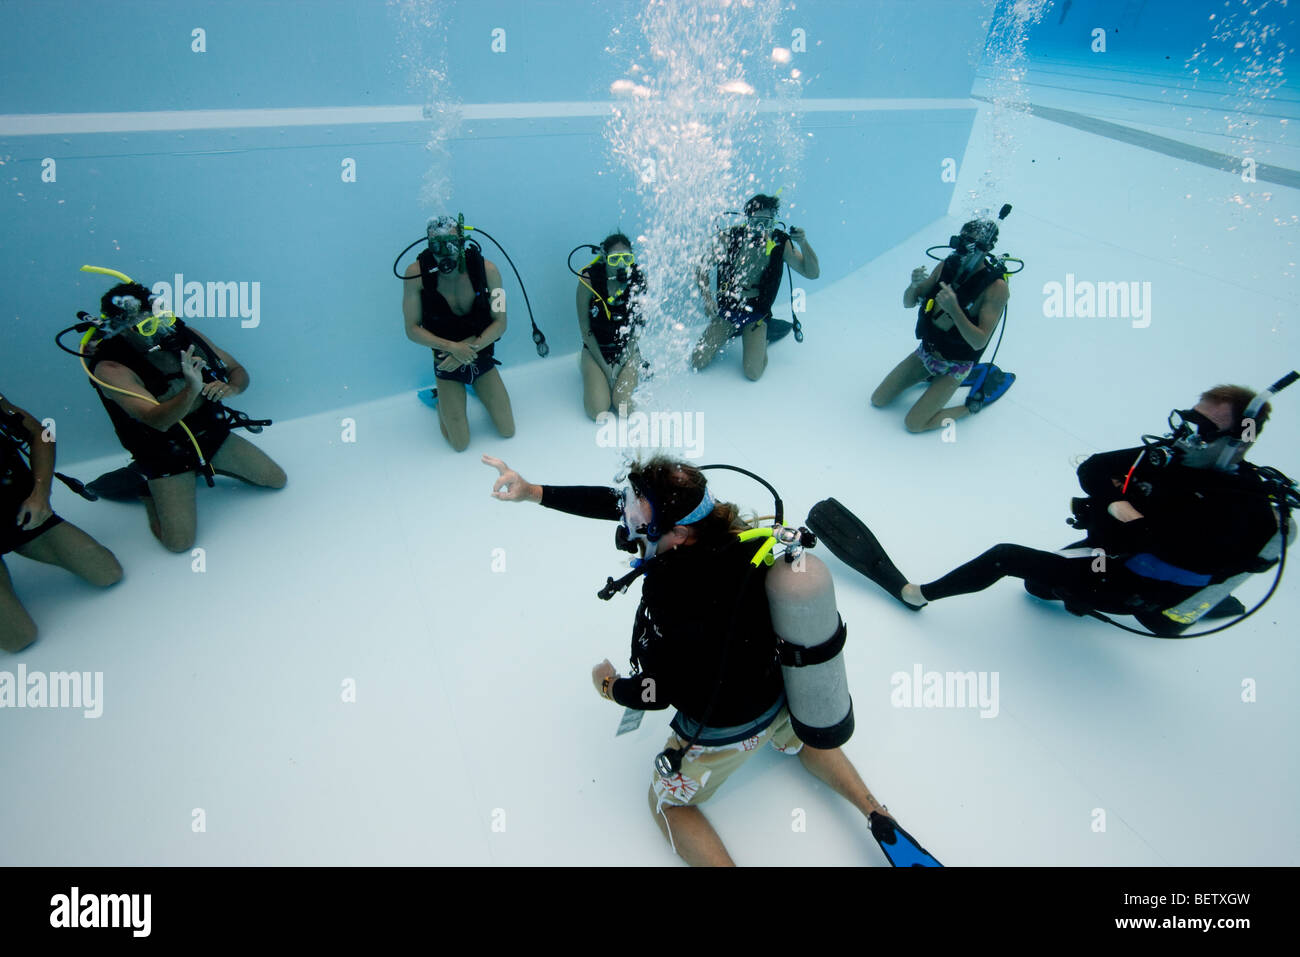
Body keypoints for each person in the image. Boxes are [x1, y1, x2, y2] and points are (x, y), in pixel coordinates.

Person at [483, 452, 907, 866]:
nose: (628, 522)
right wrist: (533, 491)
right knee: (804, 739)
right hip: (784, 698)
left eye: (637, 518)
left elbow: (657, 692)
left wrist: (611, 686)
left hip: (726, 729)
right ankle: (875, 811)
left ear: (681, 534)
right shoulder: (740, 538)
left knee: (665, 803)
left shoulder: (670, 592)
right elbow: (612, 503)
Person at [844, 386, 1287, 636]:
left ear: (1236, 442)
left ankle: (916, 595)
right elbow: (1095, 467)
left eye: (1203, 428)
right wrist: (1117, 504)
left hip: (1135, 582)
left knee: (1007, 557)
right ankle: (1087, 596)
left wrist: (1133, 519)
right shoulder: (1167, 457)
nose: (1186, 434)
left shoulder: (1243, 506)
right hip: (1110, 552)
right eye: (1188, 418)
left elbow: (1183, 549)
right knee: (1038, 588)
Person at [84, 281, 287, 553]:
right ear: (120, 330)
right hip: (164, 453)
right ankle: (146, 490)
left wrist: (233, 387)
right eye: (146, 327)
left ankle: (204, 467)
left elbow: (237, 369)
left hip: (210, 435)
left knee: (276, 480)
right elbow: (157, 420)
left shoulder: (186, 335)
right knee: (178, 544)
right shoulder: (111, 368)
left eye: (162, 319)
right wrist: (192, 388)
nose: (160, 332)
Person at [0, 392, 122, 651]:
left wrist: (40, 494)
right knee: (19, 638)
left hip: (19, 512)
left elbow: (41, 435)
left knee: (106, 572)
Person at [871, 219, 1010, 432]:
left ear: (987, 248)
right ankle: (928, 376)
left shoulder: (995, 288)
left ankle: (971, 407)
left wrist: (954, 309)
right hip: (925, 353)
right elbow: (909, 303)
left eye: (971, 243)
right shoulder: (947, 265)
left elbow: (979, 341)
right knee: (878, 399)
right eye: (962, 240)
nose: (963, 247)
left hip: (955, 366)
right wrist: (914, 285)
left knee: (914, 424)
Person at [404, 215, 516, 450]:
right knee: (460, 444)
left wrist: (466, 350)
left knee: (508, 430)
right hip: (446, 361)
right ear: (428, 245)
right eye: (436, 246)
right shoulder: (415, 275)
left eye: (451, 244)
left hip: (480, 354)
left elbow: (501, 323)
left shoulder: (489, 271)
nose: (444, 253)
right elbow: (412, 329)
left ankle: (473, 387)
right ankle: (439, 402)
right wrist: (452, 348)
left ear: (463, 242)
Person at [692, 194, 819, 381]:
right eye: (756, 222)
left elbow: (812, 273)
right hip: (728, 309)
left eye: (766, 222)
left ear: (774, 222)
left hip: (757, 313)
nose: (760, 228)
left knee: (753, 373)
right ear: (747, 219)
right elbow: (700, 267)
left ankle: (766, 335)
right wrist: (707, 298)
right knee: (697, 361)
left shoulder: (780, 243)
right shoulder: (730, 238)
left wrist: (803, 243)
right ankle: (733, 329)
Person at [577, 233, 645, 420]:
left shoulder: (638, 280)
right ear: (605, 258)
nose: (621, 264)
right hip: (595, 349)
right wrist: (607, 370)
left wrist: (620, 364)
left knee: (625, 409)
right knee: (597, 412)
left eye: (627, 258)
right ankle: (587, 368)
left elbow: (639, 328)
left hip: (627, 350)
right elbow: (584, 327)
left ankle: (632, 369)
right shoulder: (588, 280)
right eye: (615, 259)